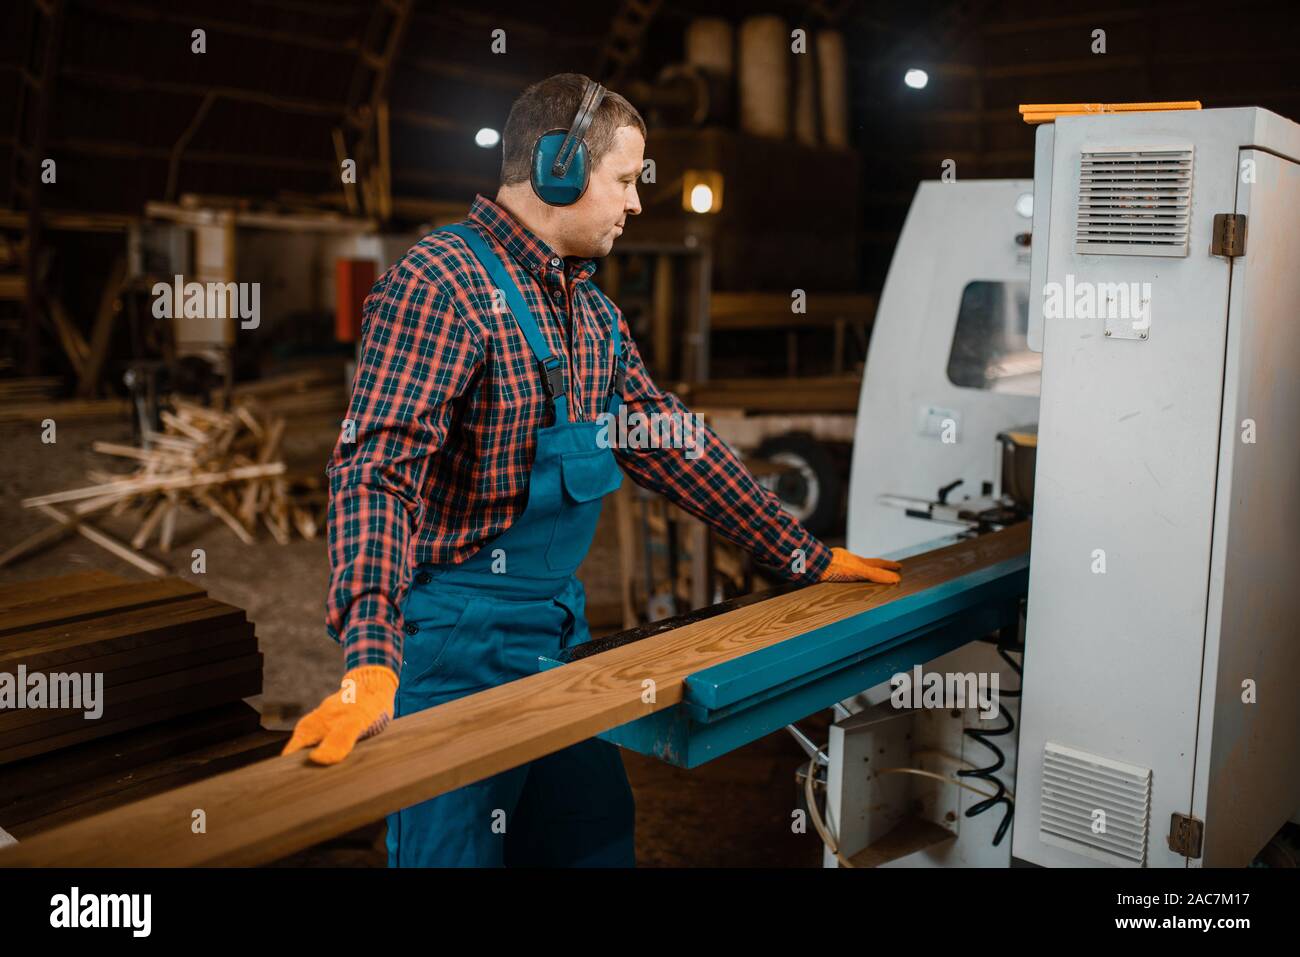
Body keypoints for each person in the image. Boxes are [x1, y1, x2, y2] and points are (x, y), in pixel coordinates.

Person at [283, 73, 902, 867]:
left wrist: (802, 551)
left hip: (559, 636)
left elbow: (670, 441)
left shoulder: (591, 312)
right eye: (625, 179)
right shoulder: (441, 284)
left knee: (594, 838)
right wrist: (371, 651)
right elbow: (375, 471)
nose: (637, 203)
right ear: (559, 168)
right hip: (451, 648)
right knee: (453, 854)